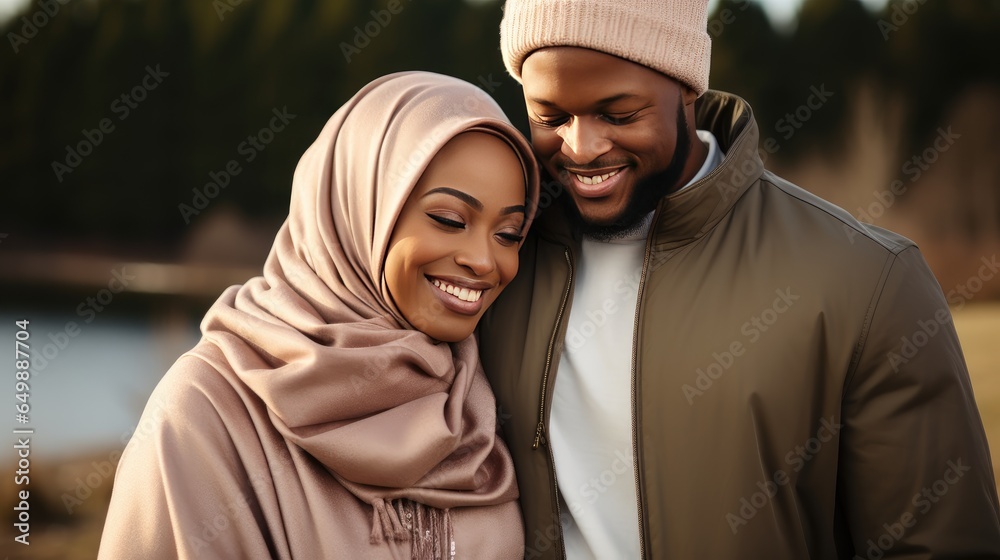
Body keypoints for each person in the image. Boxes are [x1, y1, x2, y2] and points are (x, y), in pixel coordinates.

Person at [477, 1, 1000, 558]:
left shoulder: (867, 281)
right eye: (551, 118)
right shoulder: (491, 269)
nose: (581, 147)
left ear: (687, 87)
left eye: (619, 114)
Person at [98, 71, 540, 559]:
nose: (484, 261)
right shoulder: (205, 412)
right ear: (355, 208)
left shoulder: (481, 398)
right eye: (450, 220)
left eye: (509, 234)